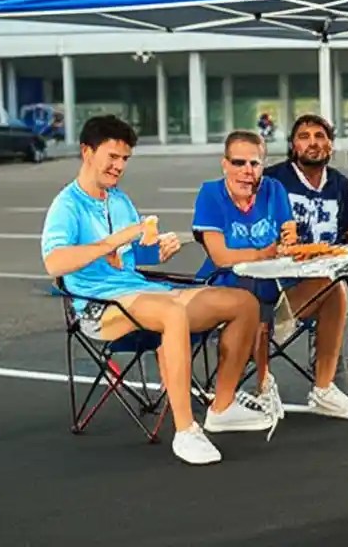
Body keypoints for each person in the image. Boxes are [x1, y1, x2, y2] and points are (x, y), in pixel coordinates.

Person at [41, 115, 271, 466]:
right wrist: (111, 242)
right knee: (172, 312)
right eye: (113, 157)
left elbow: (131, 258)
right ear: (87, 152)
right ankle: (185, 430)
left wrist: (157, 250)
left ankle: (222, 407)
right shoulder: (67, 205)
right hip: (98, 306)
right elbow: (54, 264)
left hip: (142, 292)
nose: (119, 166)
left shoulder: (119, 201)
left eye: (125, 160)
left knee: (242, 302)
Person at [262, 114, 348, 418]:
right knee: (334, 290)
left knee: (337, 289)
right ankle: (265, 370)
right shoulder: (272, 181)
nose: (313, 142)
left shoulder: (342, 185)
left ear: (330, 144)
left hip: (320, 283)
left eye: (320, 136)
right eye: (304, 136)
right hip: (273, 284)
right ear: (293, 146)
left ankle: (323, 388)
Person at [191, 130, 295, 410]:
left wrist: (288, 243)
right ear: (224, 164)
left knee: (332, 291)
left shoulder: (273, 190)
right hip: (223, 283)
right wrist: (264, 253)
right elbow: (221, 256)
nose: (247, 171)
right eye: (239, 163)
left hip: (272, 282)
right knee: (251, 299)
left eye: (254, 163)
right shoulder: (211, 194)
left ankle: (324, 387)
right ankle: (257, 384)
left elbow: (288, 238)